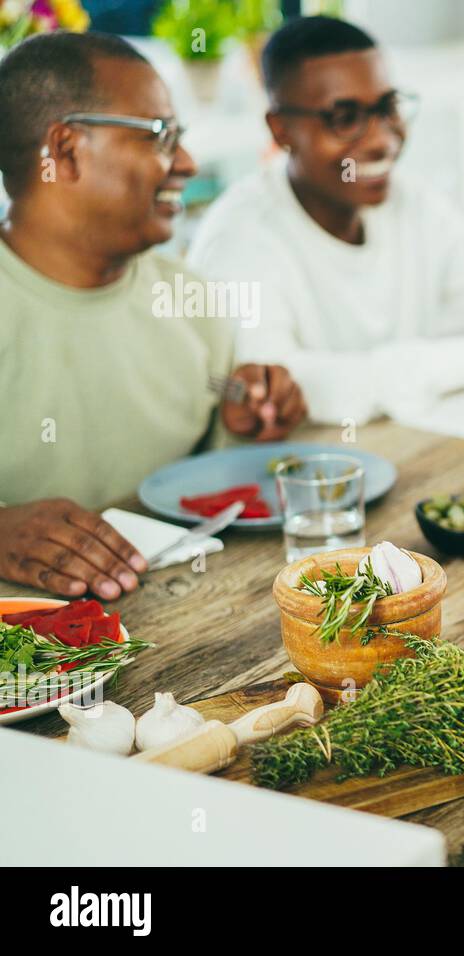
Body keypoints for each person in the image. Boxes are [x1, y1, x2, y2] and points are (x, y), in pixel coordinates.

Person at [0, 32, 307, 603]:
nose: (187, 163)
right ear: (64, 151)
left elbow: (217, 489)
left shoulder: (193, 299)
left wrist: (243, 421)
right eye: (162, 136)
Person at [189, 16, 464, 426]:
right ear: (280, 130)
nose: (381, 139)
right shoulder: (240, 240)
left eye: (386, 107)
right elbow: (280, 386)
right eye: (344, 117)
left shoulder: (412, 202)